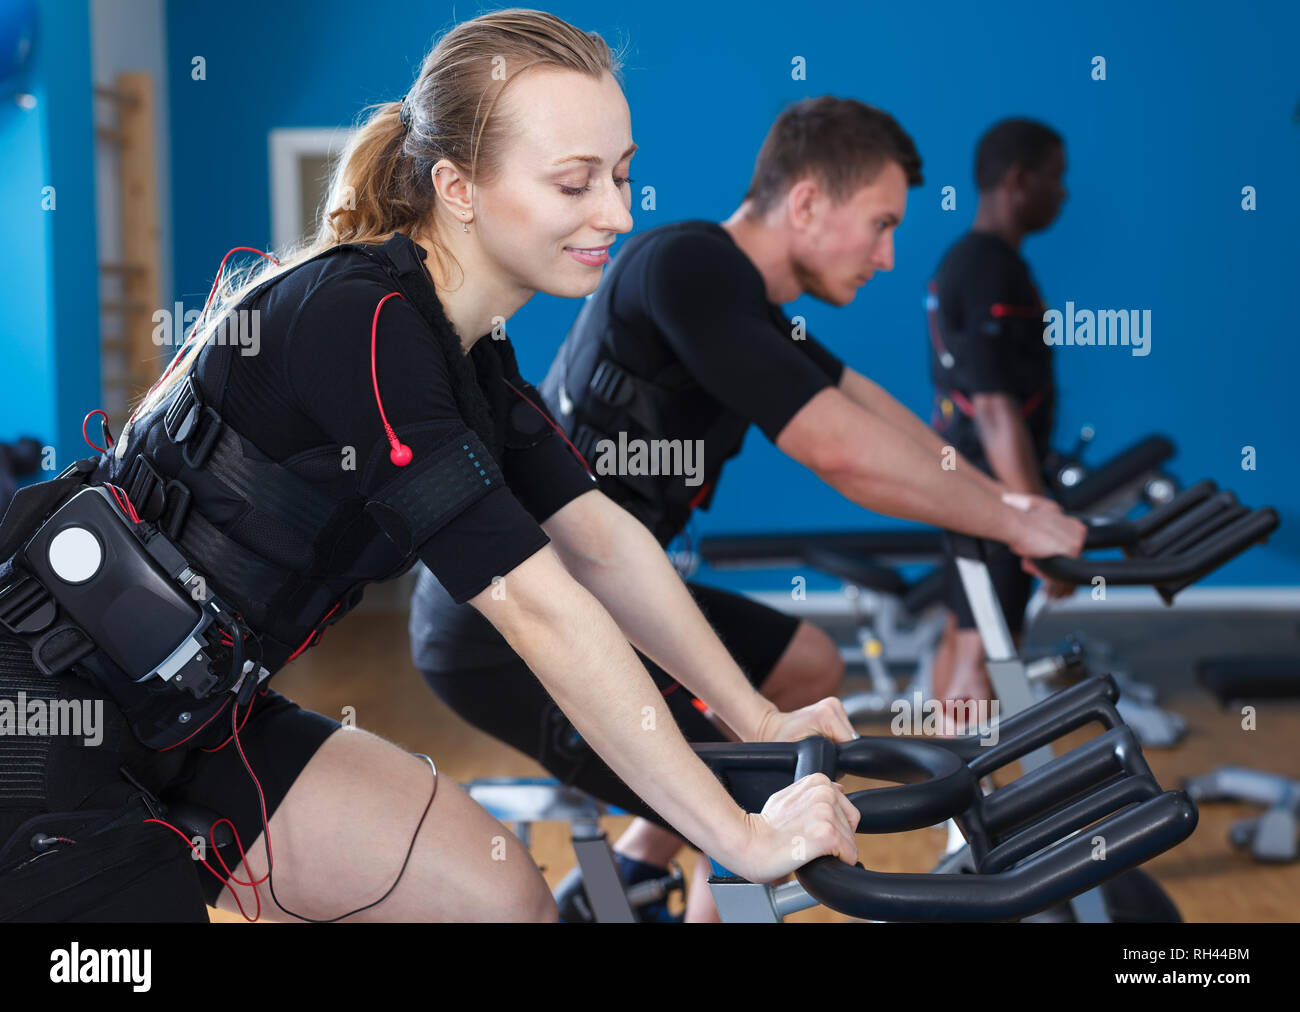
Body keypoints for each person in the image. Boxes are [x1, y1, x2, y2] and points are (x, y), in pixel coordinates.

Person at [0, 9, 863, 924]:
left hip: (199, 716)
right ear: (457, 185)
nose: (615, 212)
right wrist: (737, 837)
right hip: (42, 721)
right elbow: (534, 603)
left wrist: (758, 720)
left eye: (620, 176)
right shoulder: (357, 321)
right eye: (575, 183)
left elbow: (602, 543)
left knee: (497, 900)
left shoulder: (468, 355)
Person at [409, 96, 1088, 921]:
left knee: (806, 668)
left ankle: (623, 882)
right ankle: (686, 897)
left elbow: (861, 402)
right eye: (879, 225)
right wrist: (1018, 525)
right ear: (805, 202)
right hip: (507, 630)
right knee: (758, 798)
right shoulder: (686, 268)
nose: (887, 255)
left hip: (609, 596)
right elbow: (838, 449)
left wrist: (1004, 500)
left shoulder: (746, 301)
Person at [926, 118, 1072, 707]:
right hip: (991, 492)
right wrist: (1037, 525)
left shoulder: (969, 260)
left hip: (976, 489)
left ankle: (958, 792)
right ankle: (964, 794)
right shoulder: (990, 267)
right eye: (1056, 177)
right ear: (1019, 180)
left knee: (971, 640)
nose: (1063, 192)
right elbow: (993, 410)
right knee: (983, 654)